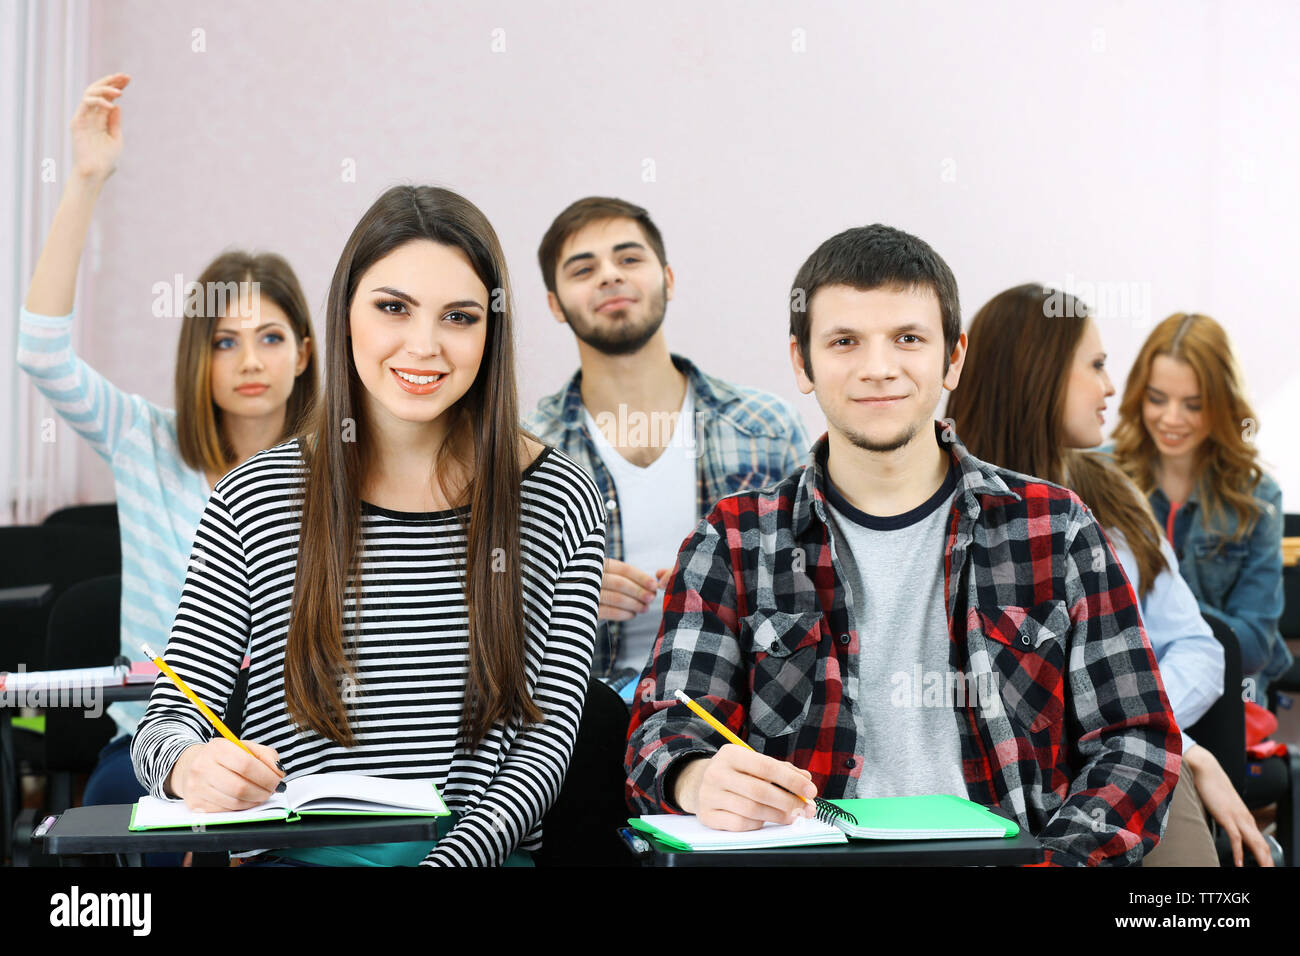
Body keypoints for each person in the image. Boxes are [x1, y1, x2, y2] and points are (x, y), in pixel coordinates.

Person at [625, 225, 1181, 866]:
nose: (878, 367)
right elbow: (662, 733)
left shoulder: (1057, 529)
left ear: (954, 358)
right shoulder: (733, 540)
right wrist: (696, 779)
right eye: (844, 342)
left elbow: (1136, 741)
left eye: (908, 339)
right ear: (802, 363)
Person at [131, 184, 606, 866]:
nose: (424, 346)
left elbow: (544, 750)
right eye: (393, 308)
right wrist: (189, 767)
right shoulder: (254, 496)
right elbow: (167, 721)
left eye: (459, 317)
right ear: (344, 316)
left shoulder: (557, 495)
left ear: (491, 331)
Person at [16, 73, 317, 814]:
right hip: (161, 741)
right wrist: (87, 178)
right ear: (199, 356)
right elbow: (41, 352)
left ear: (304, 355)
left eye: (270, 338)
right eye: (226, 341)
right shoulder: (144, 439)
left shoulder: (339, 468)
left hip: (300, 743)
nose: (250, 361)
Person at [946, 284, 1270, 867]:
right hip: (996, 776)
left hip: (1121, 758)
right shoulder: (946, 503)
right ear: (1038, 376)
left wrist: (1133, 725)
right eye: (1096, 365)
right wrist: (1179, 744)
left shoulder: (1112, 496)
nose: (1111, 387)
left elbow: (1199, 645)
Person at [526, 197, 810, 696]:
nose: (610, 276)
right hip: (579, 725)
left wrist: (718, 578)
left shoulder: (764, 426)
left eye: (629, 258)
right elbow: (483, 621)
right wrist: (566, 596)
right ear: (554, 303)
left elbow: (814, 587)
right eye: (583, 268)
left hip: (741, 704)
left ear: (669, 279)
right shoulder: (524, 450)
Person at [1107, 313, 1290, 698]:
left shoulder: (1259, 497)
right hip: (1120, 690)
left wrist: (1158, 603)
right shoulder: (1102, 476)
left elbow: (1254, 645)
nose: (1171, 419)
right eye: (1157, 399)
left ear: (1224, 405)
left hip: (1223, 694)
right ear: (1140, 394)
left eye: (1193, 405)